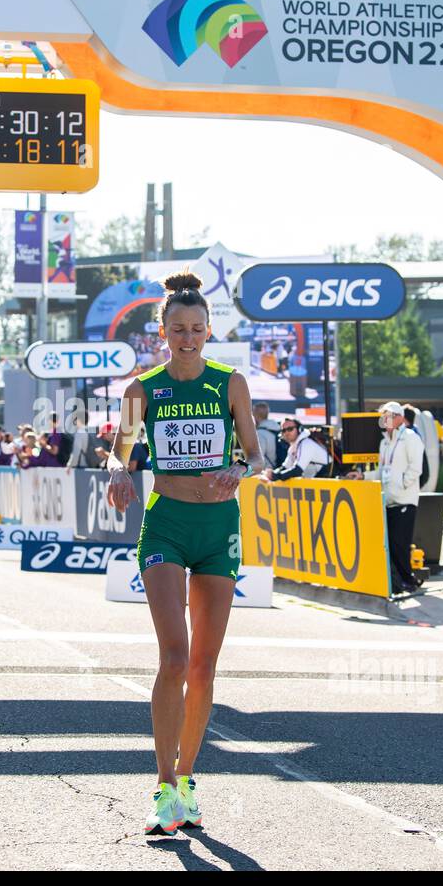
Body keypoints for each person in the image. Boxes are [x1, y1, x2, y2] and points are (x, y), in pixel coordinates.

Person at [105, 271, 267, 837]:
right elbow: (119, 453)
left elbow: (256, 454)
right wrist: (119, 473)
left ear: (208, 331)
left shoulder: (230, 383)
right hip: (167, 526)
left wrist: (239, 468)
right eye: (178, 329)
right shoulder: (142, 390)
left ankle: (188, 781)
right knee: (174, 655)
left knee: (203, 665)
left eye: (197, 329)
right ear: (163, 333)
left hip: (218, 527)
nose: (188, 338)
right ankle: (163, 786)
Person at [376, 400, 425, 595]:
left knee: (400, 543)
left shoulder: (410, 437)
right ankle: (399, 581)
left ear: (399, 418)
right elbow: (381, 471)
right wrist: (363, 476)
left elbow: (416, 467)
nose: (385, 419)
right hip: (388, 500)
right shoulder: (384, 442)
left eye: (388, 415)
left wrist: (403, 484)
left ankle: (408, 580)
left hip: (405, 499)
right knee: (391, 543)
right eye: (383, 416)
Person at [262, 418, 330, 481]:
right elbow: (285, 467)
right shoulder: (293, 447)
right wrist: (272, 473)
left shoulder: (306, 444)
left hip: (329, 477)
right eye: (283, 430)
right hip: (320, 481)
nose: (286, 433)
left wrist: (275, 476)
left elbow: (297, 470)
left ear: (299, 429)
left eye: (290, 429)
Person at [253, 402, 281, 469]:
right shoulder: (279, 429)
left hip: (267, 471)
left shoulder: (260, 434)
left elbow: (258, 459)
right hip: (281, 470)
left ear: (255, 415)